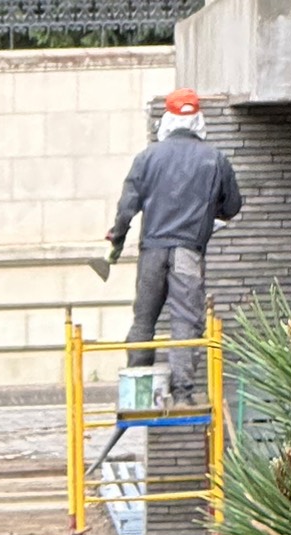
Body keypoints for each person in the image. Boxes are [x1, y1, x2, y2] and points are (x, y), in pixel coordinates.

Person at [108, 87, 242, 399]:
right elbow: (232, 205)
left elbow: (127, 205)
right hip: (188, 253)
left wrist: (116, 239)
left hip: (152, 251)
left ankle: (138, 393)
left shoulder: (147, 157)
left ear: (167, 120)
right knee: (185, 321)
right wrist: (209, 213)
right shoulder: (215, 160)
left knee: (144, 319)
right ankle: (183, 394)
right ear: (198, 121)